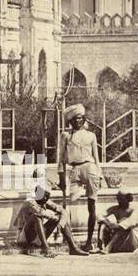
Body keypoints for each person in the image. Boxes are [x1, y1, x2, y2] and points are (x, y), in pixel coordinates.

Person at [59, 103, 103, 253]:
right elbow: (61, 158)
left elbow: (97, 158)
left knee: (92, 206)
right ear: (71, 121)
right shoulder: (65, 135)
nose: (78, 121)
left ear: (84, 119)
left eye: (80, 118)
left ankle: (89, 242)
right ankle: (70, 242)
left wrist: (100, 175)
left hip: (90, 168)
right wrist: (61, 176)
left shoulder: (91, 135)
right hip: (75, 169)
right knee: (69, 202)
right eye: (75, 119)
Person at [12, 183, 87, 256]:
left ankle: (73, 248)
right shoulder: (29, 202)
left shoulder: (44, 200)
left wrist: (60, 224)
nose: (46, 198)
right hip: (24, 239)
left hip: (36, 238)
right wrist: (54, 218)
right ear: (37, 193)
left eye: (47, 196)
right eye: (44, 196)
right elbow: (40, 212)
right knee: (36, 217)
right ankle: (45, 248)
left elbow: (63, 211)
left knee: (60, 217)